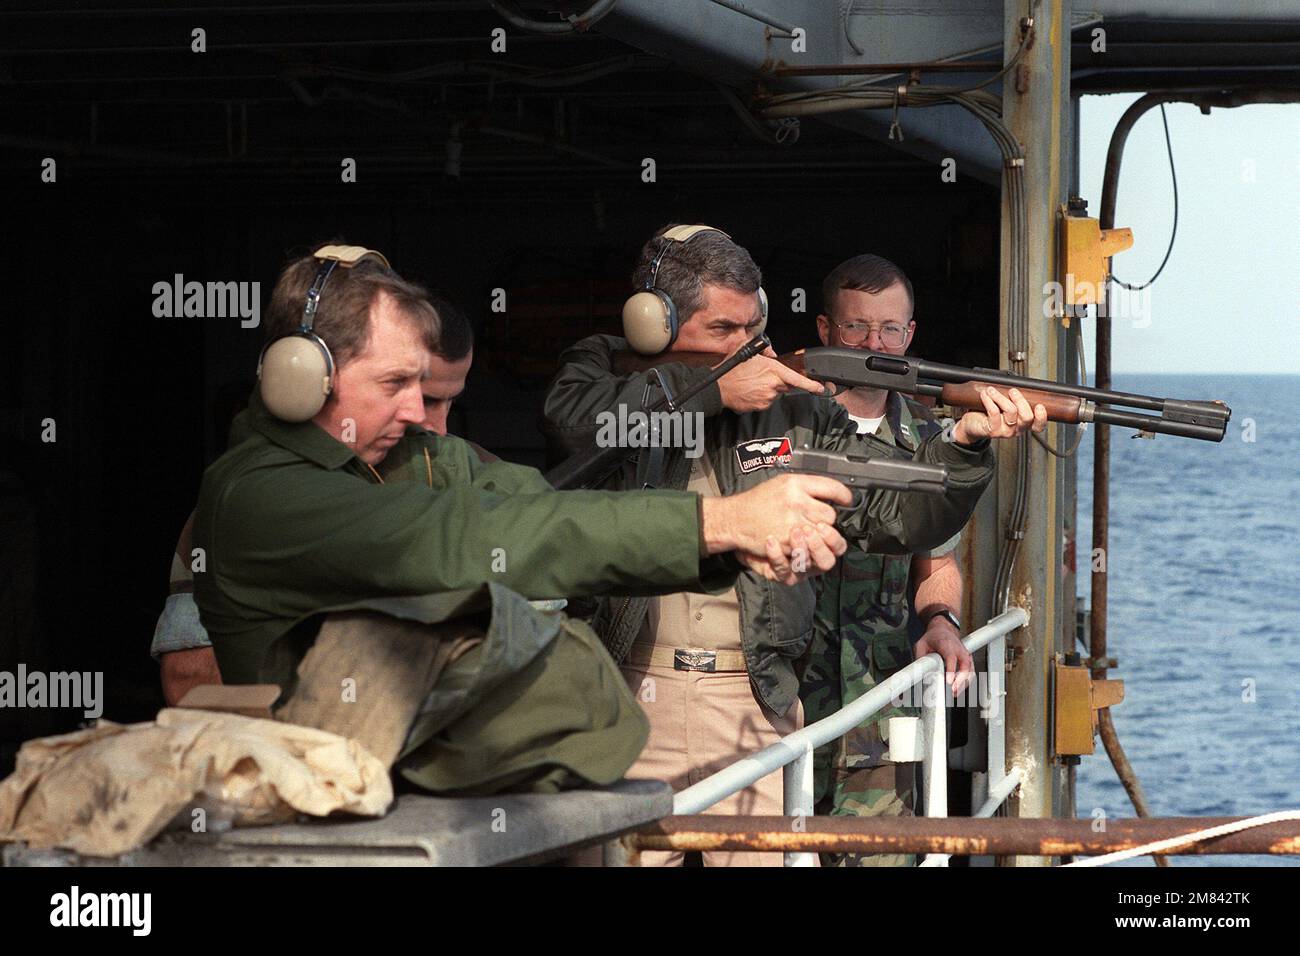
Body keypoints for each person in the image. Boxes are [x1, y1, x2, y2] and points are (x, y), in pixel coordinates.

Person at [191, 242, 857, 797]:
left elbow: (538, 504)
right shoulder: (257, 496)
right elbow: (478, 535)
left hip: (397, 805)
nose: (418, 414)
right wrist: (716, 522)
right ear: (301, 377)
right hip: (304, 820)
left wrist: (726, 543)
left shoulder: (410, 456)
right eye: (393, 385)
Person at [542, 224, 1045, 864]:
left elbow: (903, 518)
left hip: (750, 699)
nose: (747, 350)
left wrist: (963, 449)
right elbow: (573, 422)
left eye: (755, 330)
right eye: (724, 332)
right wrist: (711, 390)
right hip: (625, 694)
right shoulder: (602, 370)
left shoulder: (794, 408)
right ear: (654, 325)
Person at [151, 295, 484, 706]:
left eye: (449, 400)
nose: (437, 427)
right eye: (423, 398)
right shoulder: (254, 500)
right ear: (330, 383)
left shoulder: (474, 470)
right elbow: (189, 681)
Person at [800, 254, 973, 867]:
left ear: (911, 336)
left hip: (881, 697)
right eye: (856, 328)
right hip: (782, 699)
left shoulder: (931, 439)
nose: (875, 344)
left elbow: (938, 564)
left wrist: (941, 623)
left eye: (891, 330)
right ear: (824, 330)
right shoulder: (781, 422)